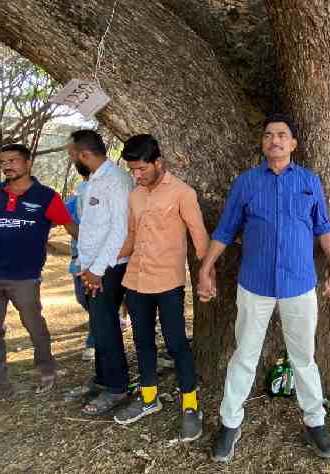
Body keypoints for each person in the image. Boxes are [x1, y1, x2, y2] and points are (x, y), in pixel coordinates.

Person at [197, 113, 330, 463]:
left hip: (299, 284)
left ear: (293, 144)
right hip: (255, 284)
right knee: (244, 355)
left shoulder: (309, 181)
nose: (274, 140)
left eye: (281, 135)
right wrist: (205, 268)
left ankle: (315, 421)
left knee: (304, 358)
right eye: (268, 135)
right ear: (263, 144)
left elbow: (323, 229)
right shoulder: (246, 183)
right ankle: (230, 424)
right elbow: (225, 230)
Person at [112, 134, 209, 442]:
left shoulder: (182, 193)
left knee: (177, 344)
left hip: (168, 283)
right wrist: (105, 263)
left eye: (141, 169)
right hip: (136, 280)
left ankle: (191, 406)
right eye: (132, 170)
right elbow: (131, 234)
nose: (137, 176)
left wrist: (207, 275)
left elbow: (199, 236)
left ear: (158, 163)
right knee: (142, 342)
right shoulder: (135, 196)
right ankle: (149, 397)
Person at [0, 143, 77, 412]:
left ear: (28, 163)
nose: (7, 165)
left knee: (34, 325)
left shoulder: (46, 196)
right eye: (4, 161)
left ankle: (47, 370)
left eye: (14, 160)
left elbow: (71, 227)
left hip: (25, 276)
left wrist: (97, 249)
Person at [67, 129, 135, 416]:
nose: (72, 161)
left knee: (107, 328)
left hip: (108, 268)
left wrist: (96, 270)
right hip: (92, 267)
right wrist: (86, 266)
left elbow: (120, 230)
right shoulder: (94, 181)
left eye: (72, 156)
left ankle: (117, 387)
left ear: (84, 155)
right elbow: (94, 228)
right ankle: (102, 379)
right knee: (99, 325)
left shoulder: (116, 180)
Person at [64, 161, 94, 361]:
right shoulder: (75, 199)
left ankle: (93, 342)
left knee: (95, 301)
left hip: (101, 258)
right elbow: (64, 219)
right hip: (79, 259)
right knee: (82, 298)